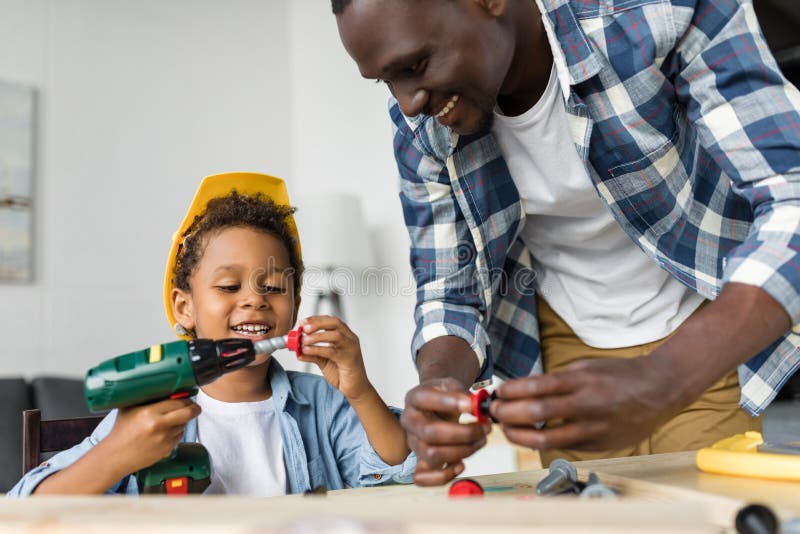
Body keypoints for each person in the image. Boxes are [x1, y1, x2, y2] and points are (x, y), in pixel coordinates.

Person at [333, 0, 800, 485]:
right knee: (583, 513)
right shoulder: (420, 128)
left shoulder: (657, 13)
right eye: (387, 81)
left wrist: (664, 377)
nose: (407, 103)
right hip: (563, 343)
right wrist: (440, 389)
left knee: (705, 508)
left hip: (699, 330)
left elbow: (793, 200)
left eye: (415, 66)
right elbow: (449, 290)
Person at [9, 172, 415, 496]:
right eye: (229, 286)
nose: (255, 300)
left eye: (274, 287)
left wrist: (360, 390)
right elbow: (26, 504)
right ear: (184, 306)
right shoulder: (146, 415)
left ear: (294, 305)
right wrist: (117, 454)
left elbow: (400, 473)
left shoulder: (323, 403)